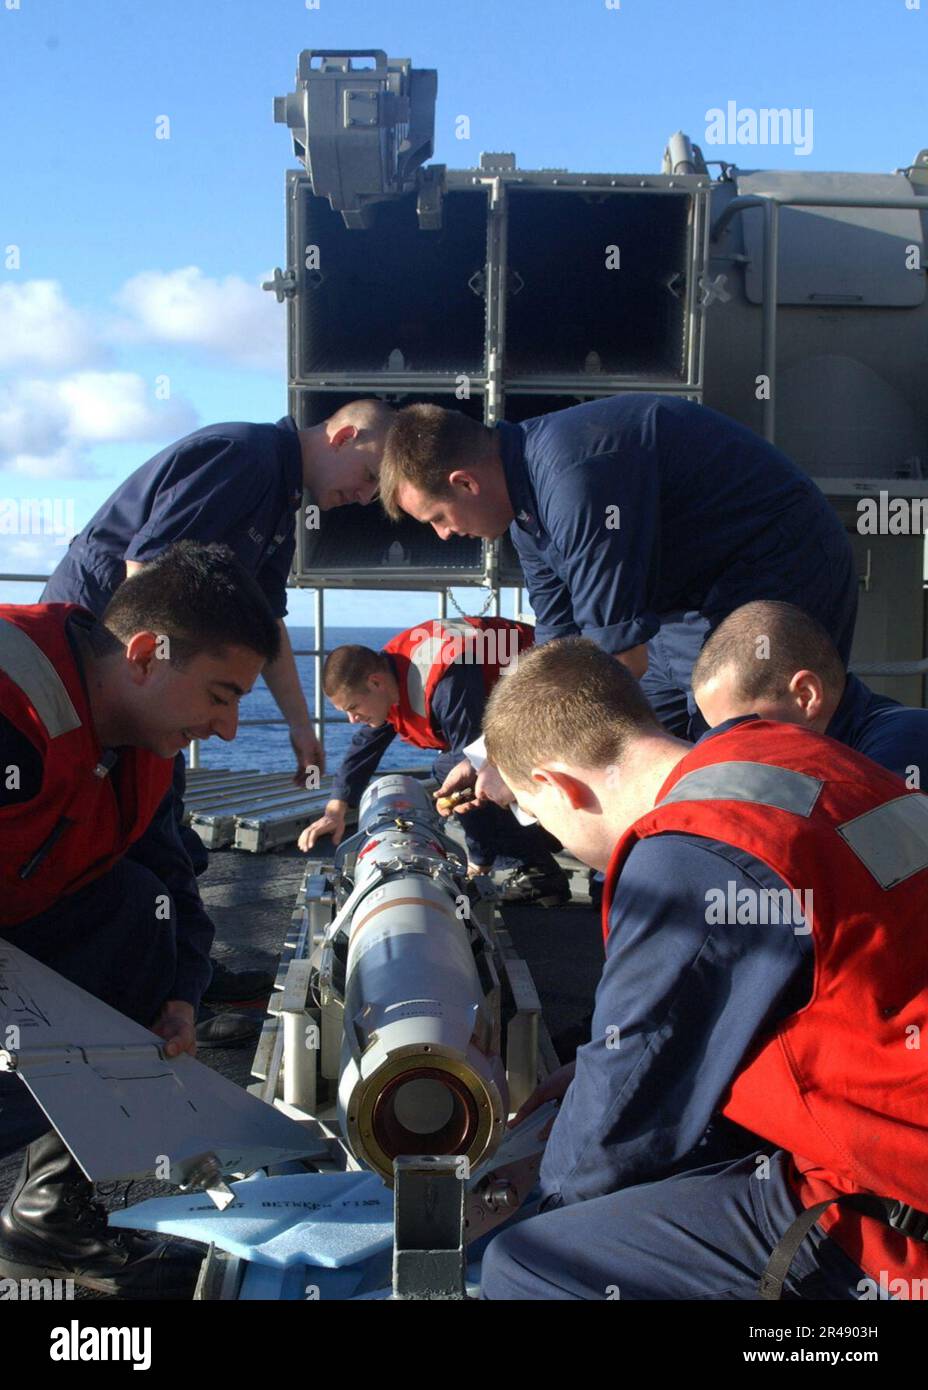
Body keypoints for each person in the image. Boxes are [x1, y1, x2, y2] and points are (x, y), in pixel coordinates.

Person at [478, 638, 928, 1300]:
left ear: (555, 785)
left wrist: (509, 1209)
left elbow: (610, 1140)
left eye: (534, 815)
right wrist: (614, 1067)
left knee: (529, 1264)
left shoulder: (692, 855)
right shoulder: (790, 759)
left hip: (896, 1219)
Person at [42, 398, 393, 1024]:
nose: (365, 497)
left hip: (144, 671)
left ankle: (175, 981)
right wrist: (145, 690)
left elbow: (265, 622)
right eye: (370, 478)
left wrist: (298, 724)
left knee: (158, 825)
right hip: (97, 668)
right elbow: (149, 572)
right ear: (343, 435)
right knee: (136, 823)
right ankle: (144, 989)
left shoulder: (282, 498)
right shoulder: (244, 458)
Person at [0, 542, 281, 1297]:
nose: (226, 728)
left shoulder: (144, 743)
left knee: (137, 913)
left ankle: (50, 1218)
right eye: (220, 695)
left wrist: (181, 996)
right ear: (148, 655)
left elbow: (169, 879)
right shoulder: (11, 700)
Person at [378, 395, 858, 744]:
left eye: (437, 518)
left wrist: (531, 755)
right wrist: (493, 753)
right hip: (687, 605)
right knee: (658, 738)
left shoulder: (572, 483)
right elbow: (560, 647)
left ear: (464, 483)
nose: (443, 534)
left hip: (779, 568)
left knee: (742, 746)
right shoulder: (526, 519)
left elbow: (618, 659)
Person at [298, 618, 570, 905]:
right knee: (451, 769)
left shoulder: (446, 678)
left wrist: (478, 859)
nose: (352, 720)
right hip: (521, 708)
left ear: (374, 682)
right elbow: (365, 746)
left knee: (453, 771)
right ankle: (535, 837)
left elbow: (474, 757)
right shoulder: (391, 674)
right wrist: (335, 810)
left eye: (353, 708)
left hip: (555, 698)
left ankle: (538, 871)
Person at [692, 599, 928, 789]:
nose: (727, 752)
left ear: (806, 695)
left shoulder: (906, 742)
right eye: (717, 736)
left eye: (741, 730)